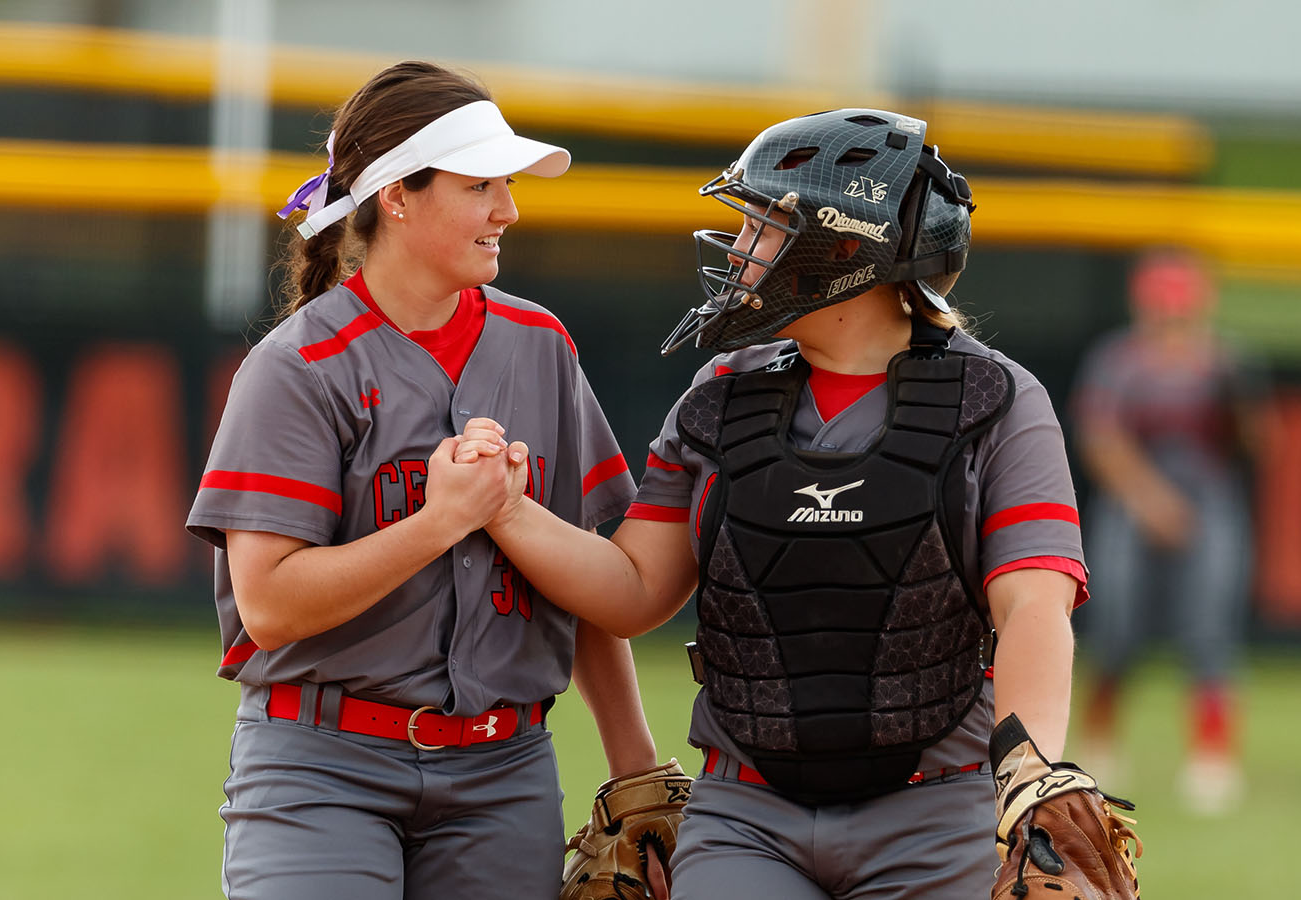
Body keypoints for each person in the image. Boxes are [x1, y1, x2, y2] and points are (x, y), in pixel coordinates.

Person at [464, 109, 1139, 899]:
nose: (739, 249)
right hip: (746, 814)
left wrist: (1030, 771)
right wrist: (506, 509)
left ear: (844, 248)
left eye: (765, 226)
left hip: (936, 810)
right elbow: (634, 590)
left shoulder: (993, 399)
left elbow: (1032, 604)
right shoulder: (720, 395)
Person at [185, 61, 668, 900]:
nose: (507, 209)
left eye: (506, 185)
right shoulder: (299, 365)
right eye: (480, 185)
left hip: (502, 772)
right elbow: (270, 606)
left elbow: (585, 576)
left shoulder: (539, 345)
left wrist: (635, 772)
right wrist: (439, 521)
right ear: (397, 197)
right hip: (323, 766)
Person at [1069, 247, 1272, 816]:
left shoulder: (1227, 361)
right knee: (1115, 624)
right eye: (1163, 309)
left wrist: (1243, 410)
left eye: (1180, 311)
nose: (1172, 321)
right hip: (1133, 501)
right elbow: (1100, 439)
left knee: (1211, 628)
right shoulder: (1119, 361)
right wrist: (1152, 502)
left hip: (1209, 502)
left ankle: (1212, 758)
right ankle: (1099, 743)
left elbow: (1259, 446)